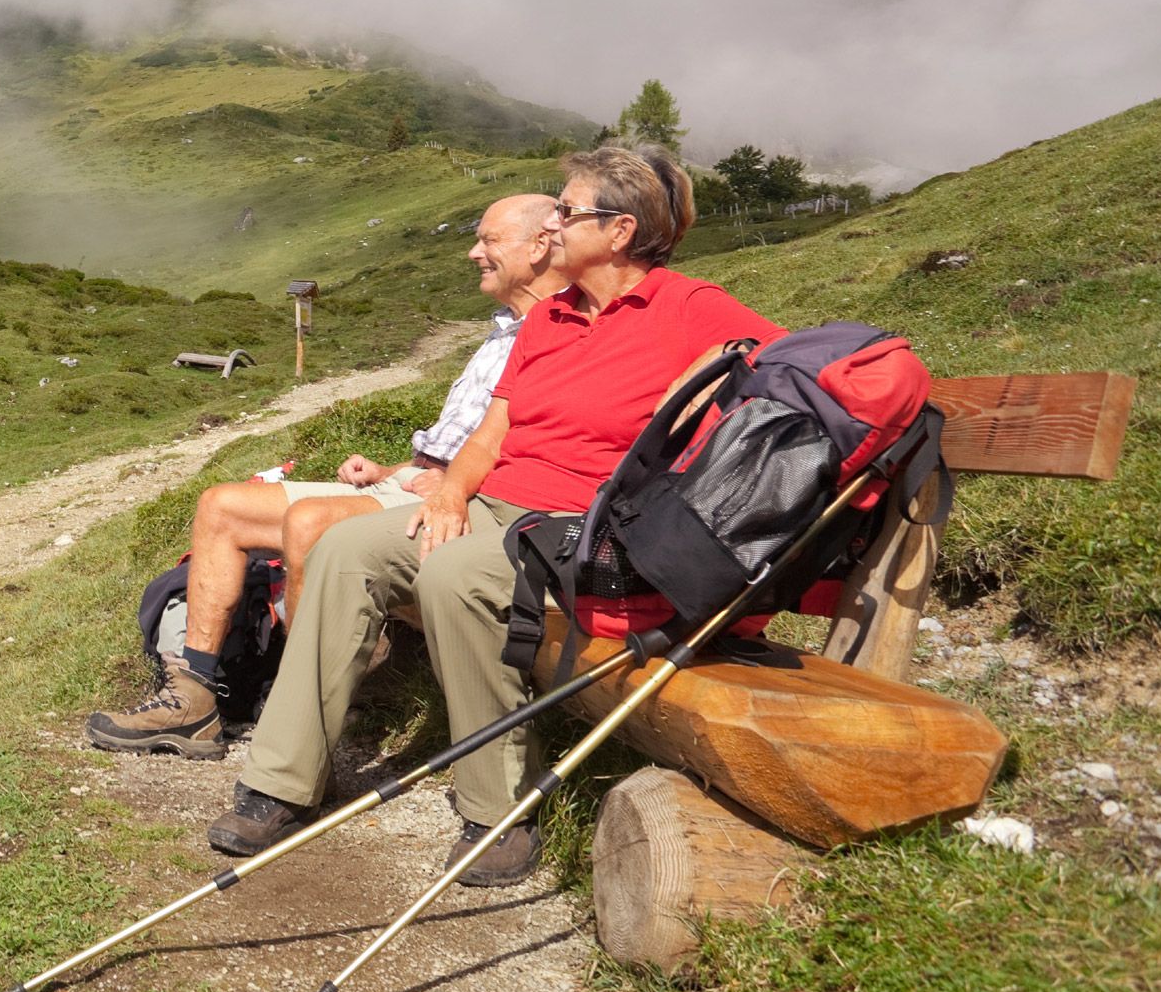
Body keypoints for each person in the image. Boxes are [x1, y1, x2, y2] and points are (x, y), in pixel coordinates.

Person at [205, 145, 783, 885]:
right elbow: (492, 433)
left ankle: (499, 807)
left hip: (594, 526)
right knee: (350, 547)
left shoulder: (690, 308)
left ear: (619, 231)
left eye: (567, 214)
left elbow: (798, 373)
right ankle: (281, 782)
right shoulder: (551, 321)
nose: (553, 227)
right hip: (497, 503)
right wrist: (449, 493)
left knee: (455, 574)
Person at [86, 193, 558, 757]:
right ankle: (195, 700)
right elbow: (466, 438)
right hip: (419, 480)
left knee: (311, 524)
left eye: (489, 240)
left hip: (464, 500)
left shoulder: (564, 331)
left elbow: (541, 446)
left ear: (541, 244)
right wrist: (393, 470)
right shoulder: (506, 326)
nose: (473, 251)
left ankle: (296, 714)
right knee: (221, 506)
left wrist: (457, 484)